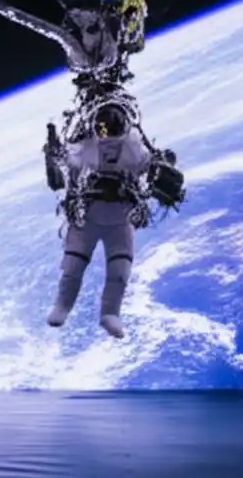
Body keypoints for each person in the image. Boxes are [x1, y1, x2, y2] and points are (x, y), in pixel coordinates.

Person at [46, 102, 153, 339]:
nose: (109, 136)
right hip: (89, 214)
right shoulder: (86, 147)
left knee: (120, 269)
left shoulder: (133, 148)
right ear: (96, 129)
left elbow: (151, 166)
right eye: (104, 129)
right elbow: (68, 163)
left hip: (119, 217)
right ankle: (62, 306)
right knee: (73, 266)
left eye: (113, 129)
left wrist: (164, 164)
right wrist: (54, 152)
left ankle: (110, 314)